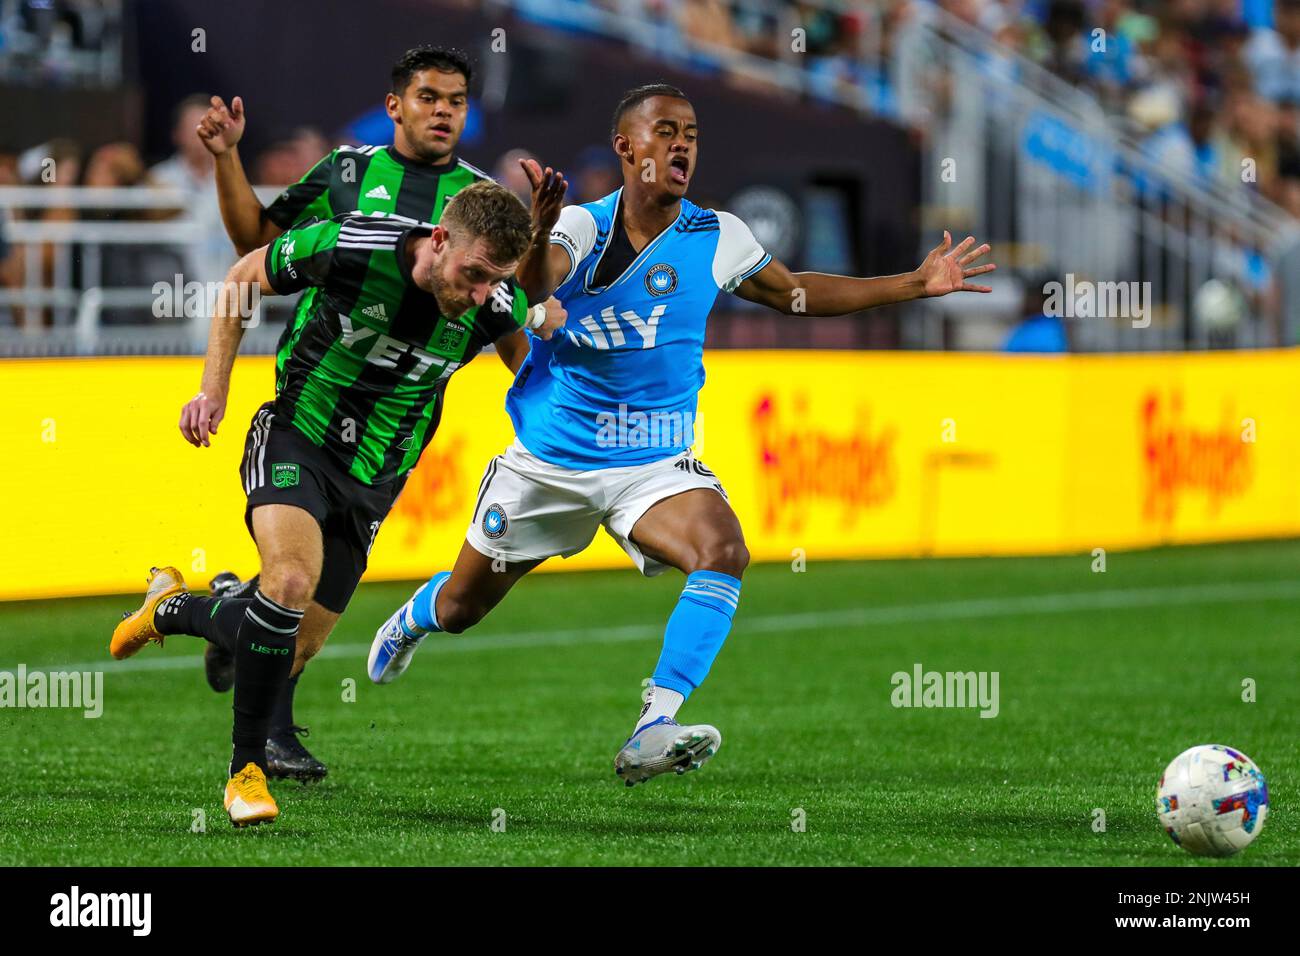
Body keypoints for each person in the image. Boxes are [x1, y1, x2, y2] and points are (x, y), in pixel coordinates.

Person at [369, 83, 995, 786]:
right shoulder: (581, 225)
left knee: (722, 549)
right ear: (627, 147)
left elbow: (794, 292)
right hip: (552, 460)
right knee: (462, 608)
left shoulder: (718, 235)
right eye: (664, 131)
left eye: (691, 134)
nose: (681, 146)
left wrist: (913, 284)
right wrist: (541, 228)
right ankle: (415, 617)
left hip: (655, 461)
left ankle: (653, 723)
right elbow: (540, 282)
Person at [108, 181, 564, 826]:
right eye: (473, 275)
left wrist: (553, 346)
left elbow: (533, 374)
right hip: (298, 434)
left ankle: (175, 608)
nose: (481, 293)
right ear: (439, 240)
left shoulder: (494, 301)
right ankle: (245, 775)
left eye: (497, 281)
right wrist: (213, 389)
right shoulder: (354, 245)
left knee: (286, 646)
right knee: (289, 582)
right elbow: (242, 278)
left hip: (375, 478)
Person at [189, 45, 563, 780]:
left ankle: (240, 633)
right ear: (396, 104)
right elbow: (255, 248)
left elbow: (515, 314)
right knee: (291, 583)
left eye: (456, 99)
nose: (444, 110)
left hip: (389, 442)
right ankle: (267, 738)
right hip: (310, 408)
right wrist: (228, 159)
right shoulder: (349, 177)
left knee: (296, 622)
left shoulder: (481, 200)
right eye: (429, 97)